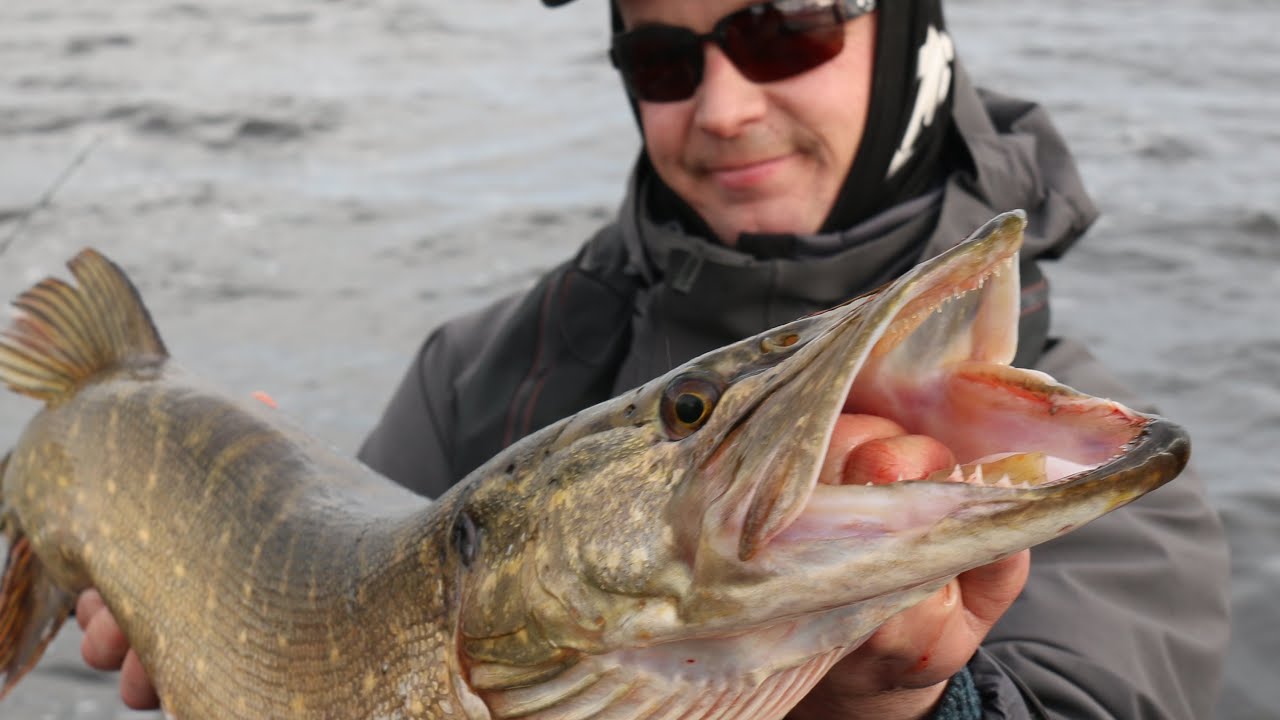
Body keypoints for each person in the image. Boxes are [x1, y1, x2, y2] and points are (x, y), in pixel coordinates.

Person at [76, 0, 1230, 717]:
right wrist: (205, 582)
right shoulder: (474, 369)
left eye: (784, 29)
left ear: (909, 44)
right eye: (665, 60)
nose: (722, 107)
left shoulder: (1079, 484)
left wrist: (914, 713)